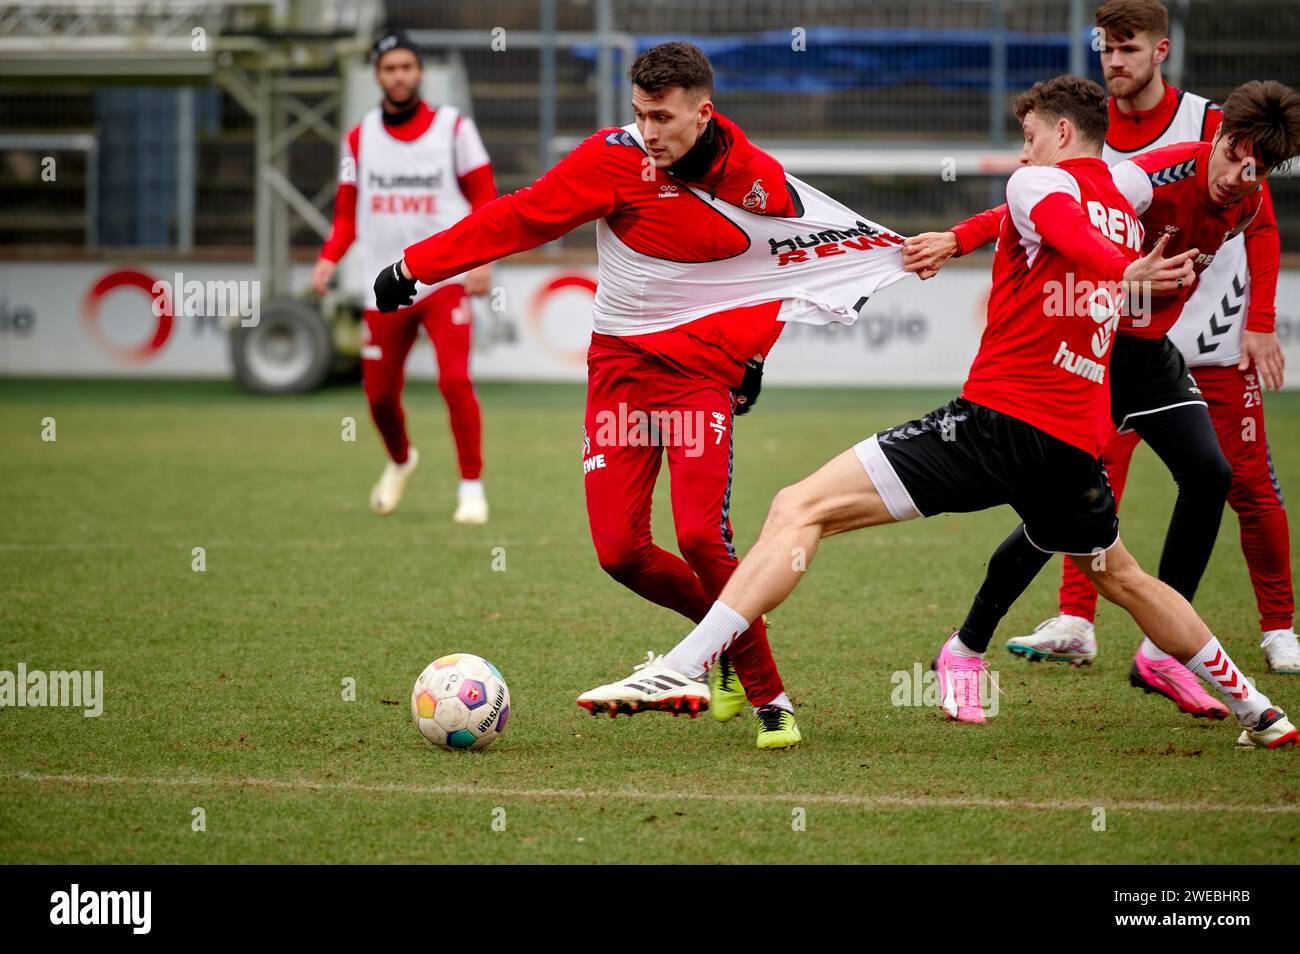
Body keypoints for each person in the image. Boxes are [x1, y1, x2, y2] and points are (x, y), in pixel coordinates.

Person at [578, 75, 1297, 751]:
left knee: (801, 508)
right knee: (1122, 575)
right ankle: (1258, 711)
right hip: (1076, 441)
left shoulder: (1039, 182)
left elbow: (1057, 222)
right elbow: (1108, 206)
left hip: (994, 424)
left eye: (1029, 134)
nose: (1021, 149)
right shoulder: (1127, 186)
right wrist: (1027, 247)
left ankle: (684, 664)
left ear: (1062, 130)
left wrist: (1117, 267)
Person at [373, 42, 913, 748]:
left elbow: (785, 269)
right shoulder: (613, 160)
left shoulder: (756, 179)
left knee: (697, 534)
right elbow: (520, 216)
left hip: (697, 378)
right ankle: (717, 636)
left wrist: (749, 355)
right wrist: (419, 265)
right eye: (637, 115)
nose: (647, 132)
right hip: (621, 374)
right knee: (620, 552)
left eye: (660, 117)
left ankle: (770, 695)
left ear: (702, 113)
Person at [908, 0, 1299, 700]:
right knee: (1059, 517)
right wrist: (958, 237)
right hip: (1100, 355)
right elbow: (1044, 199)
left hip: (1152, 358)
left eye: (1259, 171)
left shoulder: (1249, 196)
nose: (1241, 178)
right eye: (1236, 159)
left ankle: (1164, 650)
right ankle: (967, 644)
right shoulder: (1154, 174)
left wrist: (1259, 318)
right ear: (1223, 136)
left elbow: (1258, 232)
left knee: (1211, 475)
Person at [314, 31, 496, 523]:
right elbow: (347, 215)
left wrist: (482, 259)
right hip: (383, 286)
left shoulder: (455, 128)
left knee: (455, 380)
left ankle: (471, 488)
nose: (399, 76)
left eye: (407, 67)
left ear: (419, 73)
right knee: (378, 396)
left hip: (443, 279)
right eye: (389, 68)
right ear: (377, 74)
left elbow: (485, 200)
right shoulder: (359, 137)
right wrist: (330, 257)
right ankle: (401, 460)